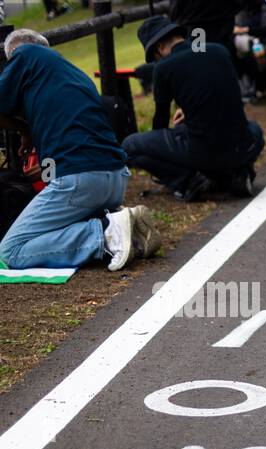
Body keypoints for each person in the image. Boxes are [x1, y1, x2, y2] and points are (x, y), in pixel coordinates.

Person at [0, 29, 159, 272]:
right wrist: (28, 131)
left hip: (82, 180)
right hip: (115, 179)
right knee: (47, 230)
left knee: (11, 250)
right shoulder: (72, 74)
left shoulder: (24, 54)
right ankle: (127, 228)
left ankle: (106, 233)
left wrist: (21, 128)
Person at [123, 16, 263, 202]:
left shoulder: (164, 68)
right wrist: (189, 111)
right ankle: (236, 173)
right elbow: (222, 95)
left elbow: (161, 123)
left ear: (158, 48)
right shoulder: (218, 51)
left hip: (205, 153)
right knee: (255, 130)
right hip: (244, 146)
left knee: (130, 146)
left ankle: (189, 181)